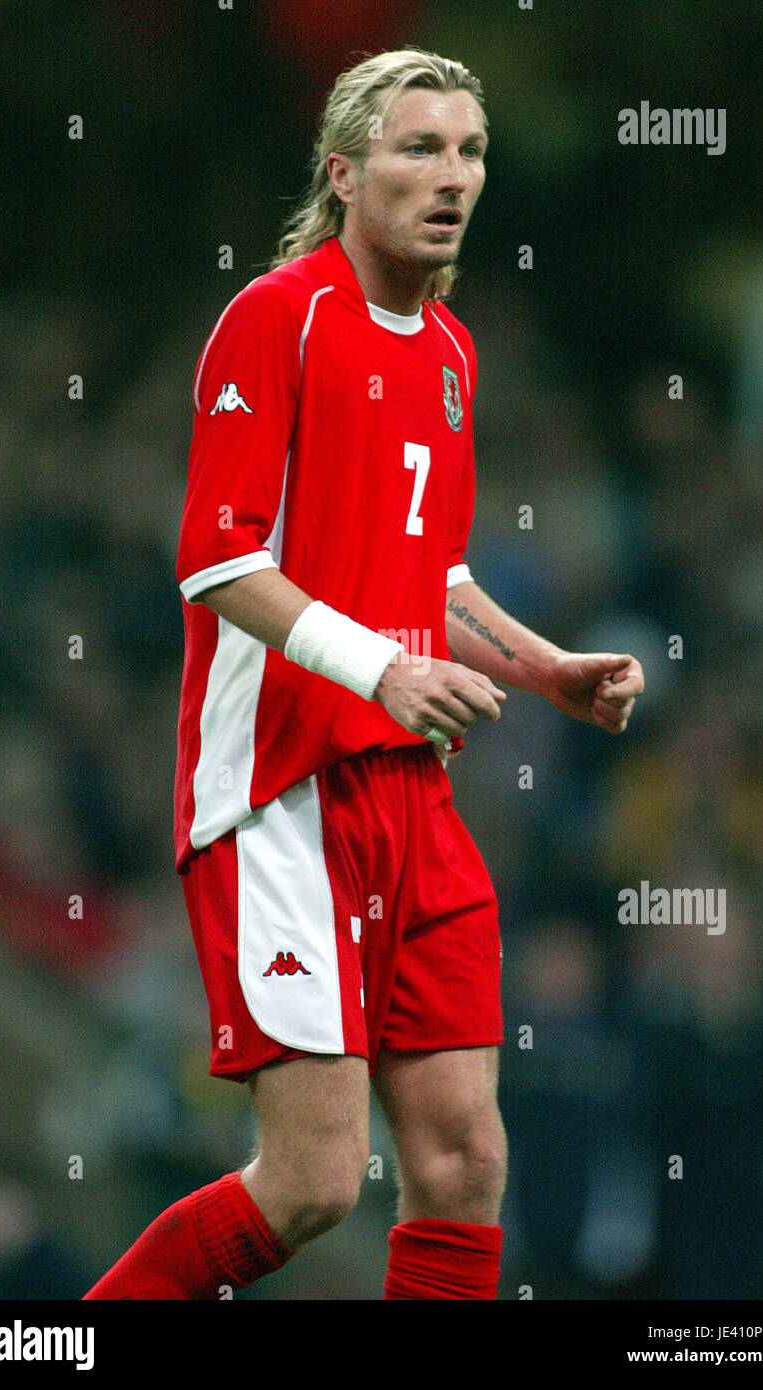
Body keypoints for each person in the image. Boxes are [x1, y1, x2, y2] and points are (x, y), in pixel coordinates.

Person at [84, 46, 643, 1302]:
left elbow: (428, 566)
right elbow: (215, 559)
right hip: (279, 789)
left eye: (468, 152)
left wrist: (543, 667)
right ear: (343, 173)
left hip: (410, 796)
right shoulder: (276, 317)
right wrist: (379, 670)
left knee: (462, 1159)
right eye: (416, 149)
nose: (450, 178)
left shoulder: (449, 350)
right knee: (315, 1182)